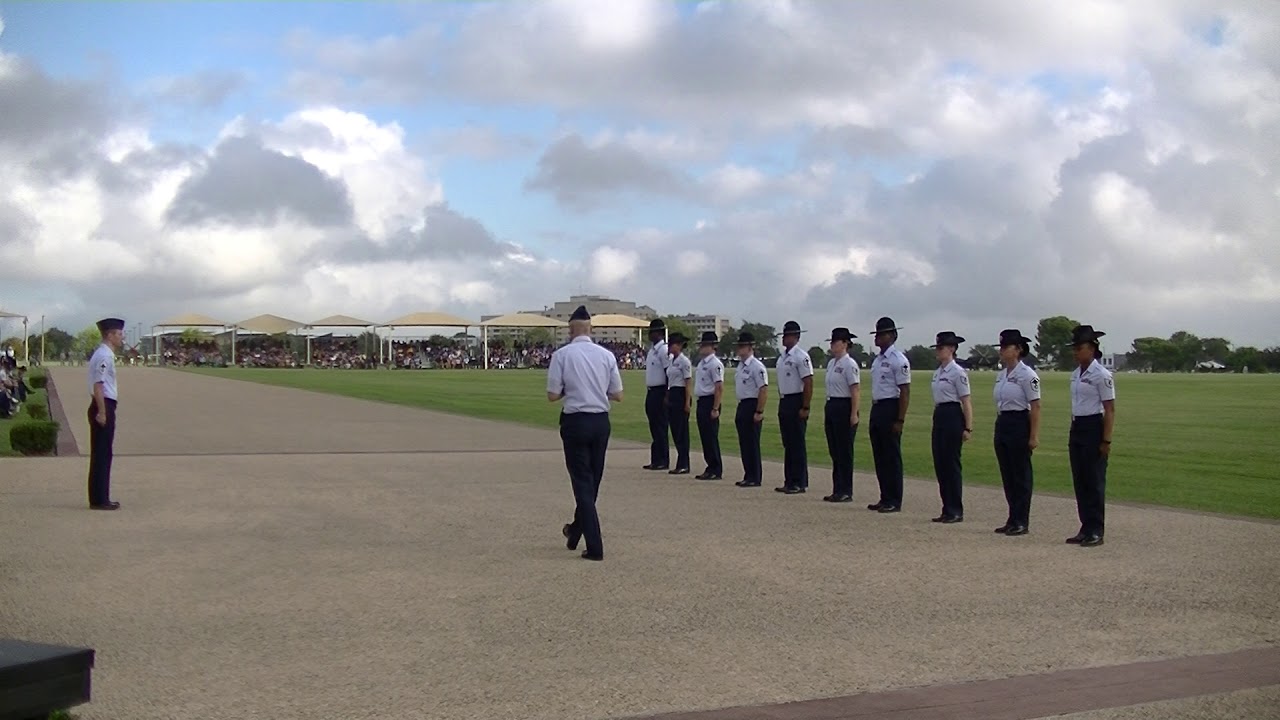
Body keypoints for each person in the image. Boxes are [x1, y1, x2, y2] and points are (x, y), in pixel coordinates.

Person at [547, 306, 624, 561]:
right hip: (600, 420)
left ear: (570, 330)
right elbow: (618, 394)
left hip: (576, 420)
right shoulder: (606, 356)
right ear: (590, 329)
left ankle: (595, 546)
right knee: (593, 481)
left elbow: (552, 395)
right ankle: (576, 530)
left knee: (582, 482)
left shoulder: (562, 355)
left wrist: (574, 388)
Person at [1067, 325, 1116, 548]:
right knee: (1080, 480)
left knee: (1094, 480)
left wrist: (1106, 440)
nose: (1076, 352)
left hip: (1093, 426)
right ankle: (1085, 526)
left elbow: (1110, 409)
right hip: (1077, 426)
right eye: (1074, 348)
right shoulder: (1076, 374)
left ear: (1092, 348)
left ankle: (1096, 529)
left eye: (1080, 348)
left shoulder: (1102, 375)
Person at [993, 329, 1041, 536]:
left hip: (1020, 421)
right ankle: (1012, 517)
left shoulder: (1027, 375)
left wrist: (1033, 435)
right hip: (1003, 420)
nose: (1002, 351)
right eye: (1001, 347)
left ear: (1018, 349)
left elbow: (1036, 406)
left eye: (1006, 347)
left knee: (1020, 474)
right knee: (1007, 473)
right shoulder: (1002, 374)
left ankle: (1022, 519)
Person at [929, 331, 974, 523]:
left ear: (952, 349)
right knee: (940, 463)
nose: (938, 351)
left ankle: (955, 509)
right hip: (940, 414)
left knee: (951, 464)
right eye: (937, 348)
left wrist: (968, 427)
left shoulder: (958, 372)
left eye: (941, 348)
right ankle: (946, 507)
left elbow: (966, 401)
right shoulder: (938, 372)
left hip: (953, 415)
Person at [867, 317, 910, 513]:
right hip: (877, 407)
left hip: (891, 406)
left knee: (891, 456)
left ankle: (894, 498)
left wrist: (900, 419)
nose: (877, 337)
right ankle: (885, 496)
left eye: (882, 334)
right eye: (877, 334)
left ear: (892, 336)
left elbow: (905, 391)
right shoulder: (877, 360)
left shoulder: (898, 360)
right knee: (880, 455)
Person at [88, 317, 126, 511]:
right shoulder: (105, 355)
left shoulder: (103, 353)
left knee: (101, 452)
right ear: (110, 335)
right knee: (103, 453)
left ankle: (98, 496)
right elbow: (98, 384)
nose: (122, 337)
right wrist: (102, 412)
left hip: (103, 404)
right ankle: (100, 498)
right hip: (104, 404)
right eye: (119, 334)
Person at [775, 320, 814, 494]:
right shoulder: (782, 357)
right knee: (788, 442)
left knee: (797, 442)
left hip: (796, 399)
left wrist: (805, 406)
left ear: (796, 337)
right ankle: (789, 479)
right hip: (784, 399)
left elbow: (808, 382)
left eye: (788, 335)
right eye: (784, 334)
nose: (784, 338)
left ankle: (799, 481)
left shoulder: (801, 356)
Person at [823, 327, 860, 503]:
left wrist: (854, 413)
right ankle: (837, 488)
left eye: (836, 342)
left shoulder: (849, 364)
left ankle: (846, 489)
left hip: (844, 405)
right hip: (832, 404)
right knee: (835, 450)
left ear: (845, 344)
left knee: (845, 450)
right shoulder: (832, 363)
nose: (832, 345)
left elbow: (855, 390)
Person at [733, 332, 769, 488]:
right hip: (742, 403)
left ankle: (755, 476)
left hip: (752, 404)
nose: (739, 350)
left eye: (742, 346)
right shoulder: (741, 366)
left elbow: (763, 389)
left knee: (752, 442)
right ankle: (748, 474)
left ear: (749, 347)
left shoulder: (756, 366)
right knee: (744, 442)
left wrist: (759, 411)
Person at [693, 331, 725, 480]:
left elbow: (719, 387)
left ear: (713, 347)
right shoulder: (702, 363)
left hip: (710, 400)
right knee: (705, 437)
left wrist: (715, 407)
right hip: (702, 400)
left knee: (711, 437)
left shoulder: (715, 364)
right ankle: (710, 465)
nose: (701, 348)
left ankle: (716, 468)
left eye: (705, 345)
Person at [643, 318, 671, 471]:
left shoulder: (663, 350)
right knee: (654, 426)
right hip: (652, 391)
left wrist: (667, 394)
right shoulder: (652, 350)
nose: (650, 335)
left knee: (660, 426)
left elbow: (668, 372)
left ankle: (663, 459)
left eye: (652, 333)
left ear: (659, 333)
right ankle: (656, 458)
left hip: (660, 391)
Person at [665, 333, 694, 475]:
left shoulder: (684, 362)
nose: (670, 347)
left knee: (682, 431)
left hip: (681, 394)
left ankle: (684, 463)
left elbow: (688, 382)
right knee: (675, 430)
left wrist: (687, 402)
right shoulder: (672, 361)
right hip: (673, 393)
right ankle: (680, 461)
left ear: (678, 346)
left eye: (672, 344)